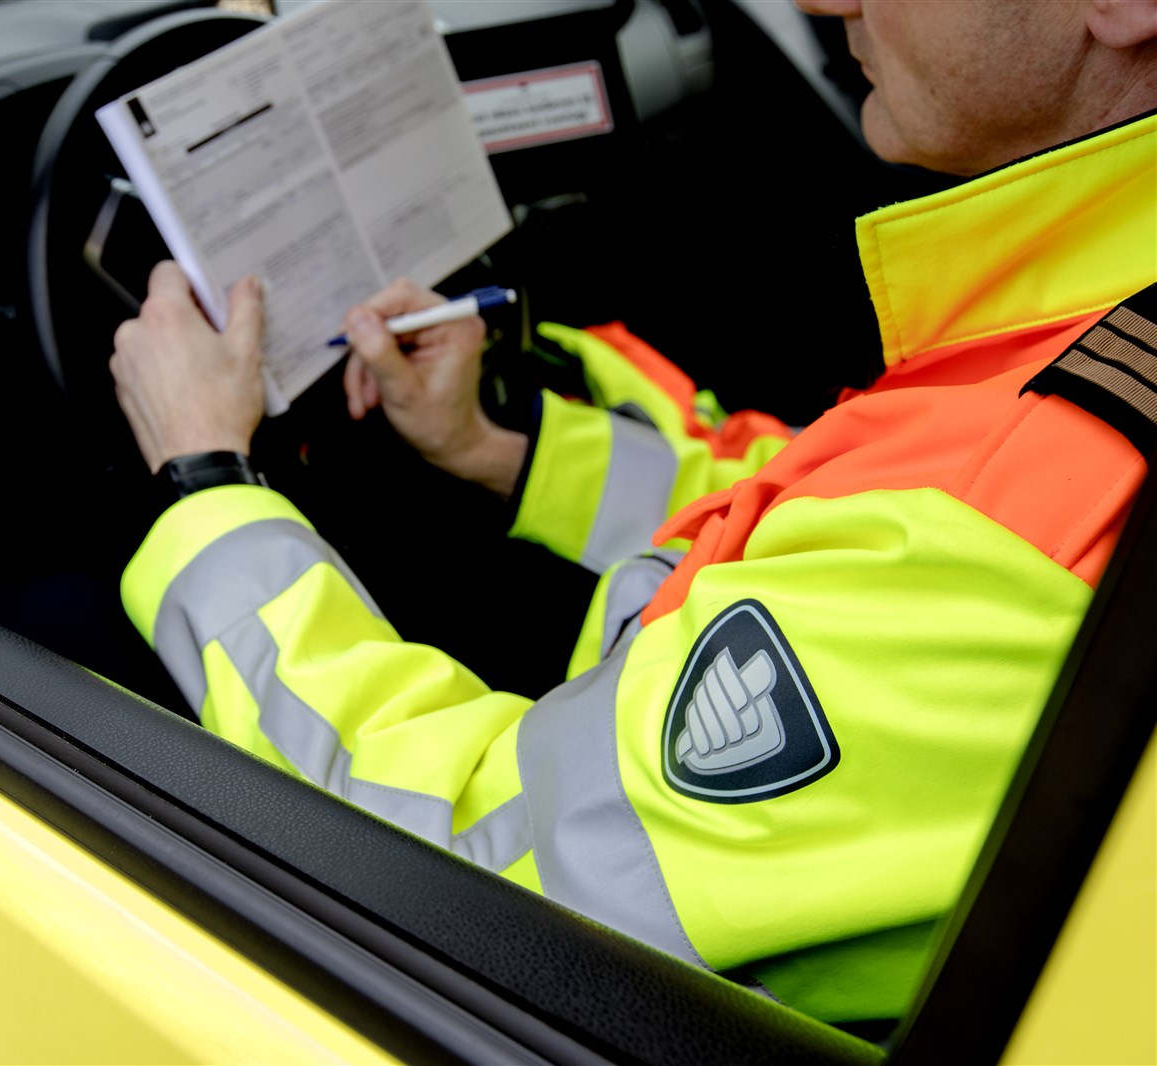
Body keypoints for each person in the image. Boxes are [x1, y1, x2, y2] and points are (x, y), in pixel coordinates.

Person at [108, 0, 1157, 1025]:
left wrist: (205, 480)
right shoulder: (1071, 364)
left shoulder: (978, 552)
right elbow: (821, 503)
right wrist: (508, 452)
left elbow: (469, 872)